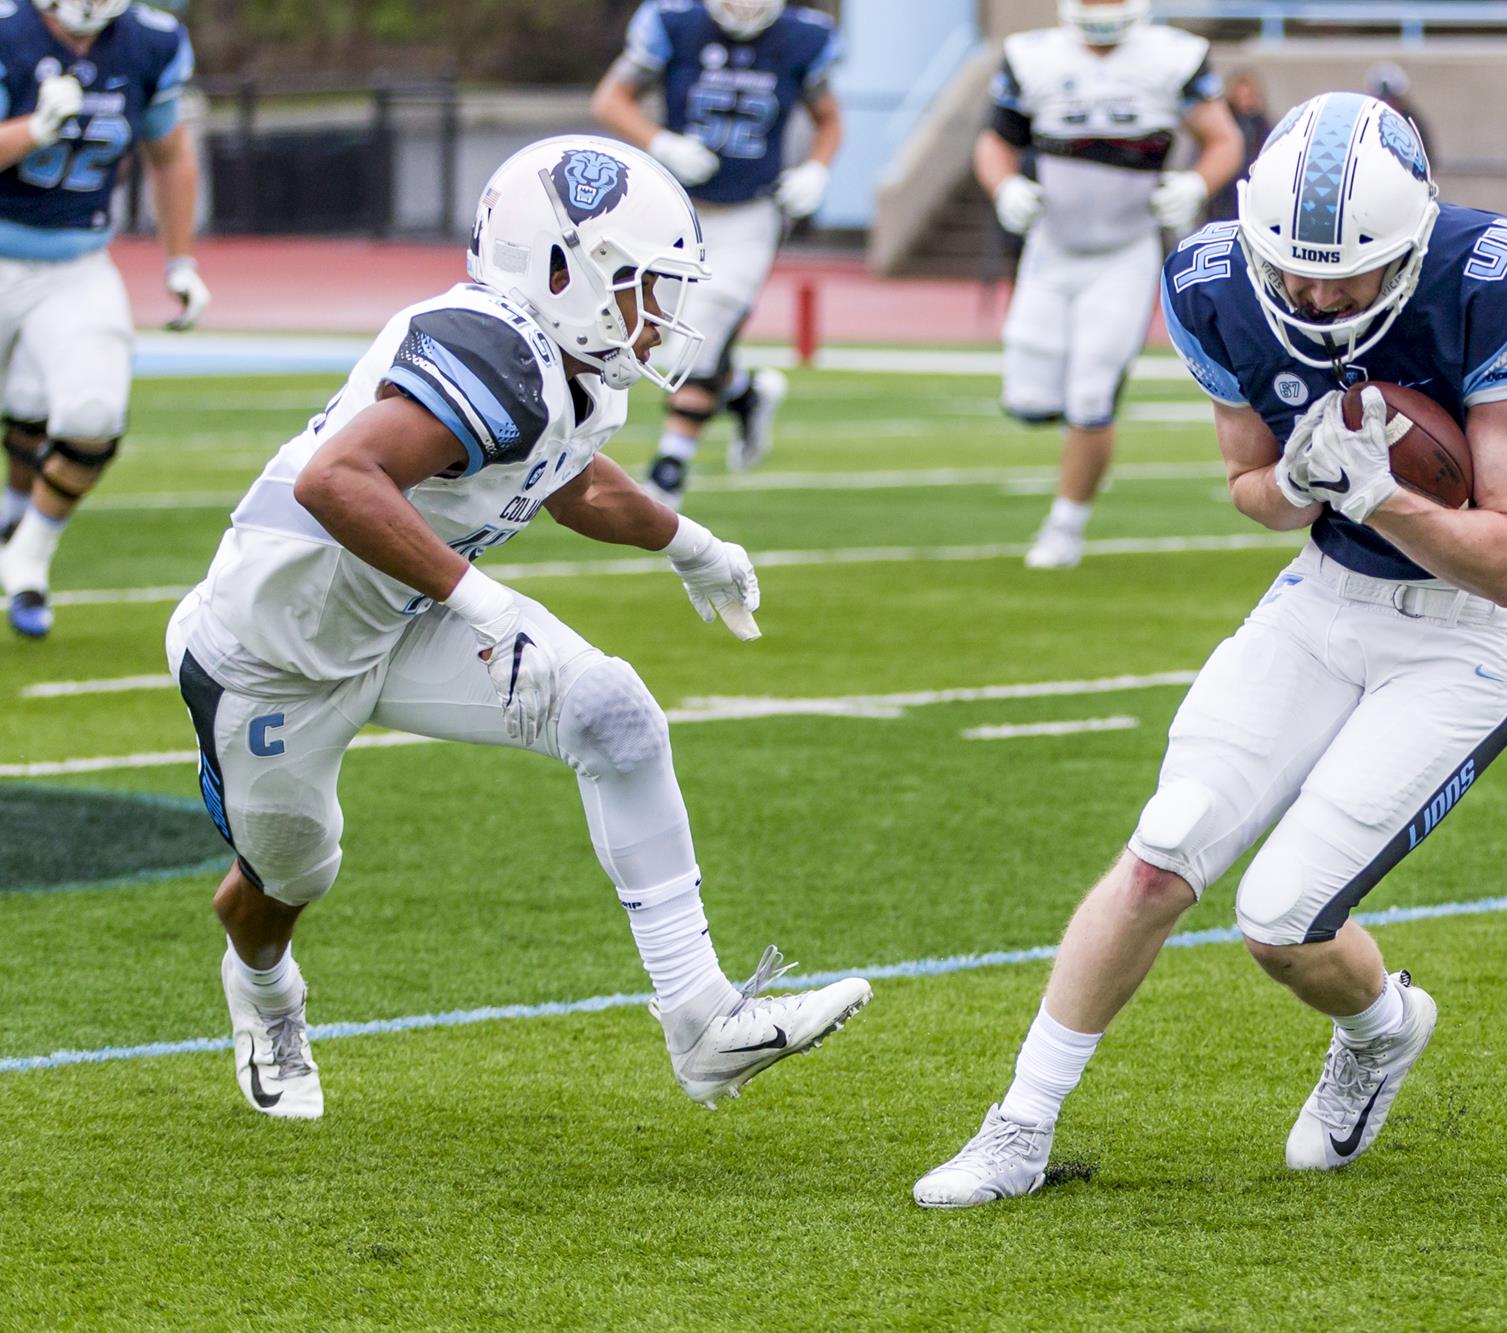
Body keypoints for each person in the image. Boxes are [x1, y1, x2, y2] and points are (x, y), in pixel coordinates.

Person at [915, 92, 1507, 1206]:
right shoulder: (1214, 283)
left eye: (1345, 277)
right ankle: (1018, 1125)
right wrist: (1300, 481)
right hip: (1322, 598)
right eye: (1294, 271)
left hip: (1466, 634)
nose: (1315, 296)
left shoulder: (1495, 280)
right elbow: (1251, 495)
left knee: (1278, 921)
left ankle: (1377, 1030)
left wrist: (1378, 496)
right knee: (1161, 850)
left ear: (1408, 251)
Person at [166, 136, 870, 1121]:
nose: (659, 314)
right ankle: (266, 995)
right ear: (558, 270)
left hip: (398, 620)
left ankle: (703, 1021)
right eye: (638, 285)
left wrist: (690, 543)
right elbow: (339, 479)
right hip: (272, 654)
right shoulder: (488, 342)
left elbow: (567, 478)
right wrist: (483, 600)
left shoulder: (572, 368)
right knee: (288, 873)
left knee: (614, 715)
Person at [977, 0, 1241, 570]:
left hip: (1125, 251)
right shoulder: (1033, 56)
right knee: (1029, 398)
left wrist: (1196, 183)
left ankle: (1065, 527)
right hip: (1052, 247)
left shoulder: (1172, 57)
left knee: (1093, 393)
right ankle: (1066, 473)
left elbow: (1222, 138)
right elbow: (995, 140)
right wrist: (1003, 189)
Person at [0, 0, 207, 639]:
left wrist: (180, 261)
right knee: (26, 410)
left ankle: (27, 557)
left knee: (91, 415)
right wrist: (33, 129)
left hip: (77, 261)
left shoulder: (150, 42)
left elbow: (169, 154)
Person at [592, 0, 842, 506]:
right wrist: (660, 141)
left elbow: (829, 119)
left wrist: (818, 167)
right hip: (675, 205)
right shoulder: (673, 23)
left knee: (702, 333)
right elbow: (611, 98)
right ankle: (746, 394)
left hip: (752, 210)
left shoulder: (803, 37)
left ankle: (669, 469)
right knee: (656, 331)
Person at [1205, 70, 1271, 223]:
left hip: (1254, 197)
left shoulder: (1264, 127)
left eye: (1248, 95)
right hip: (1224, 199)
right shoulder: (1222, 125)